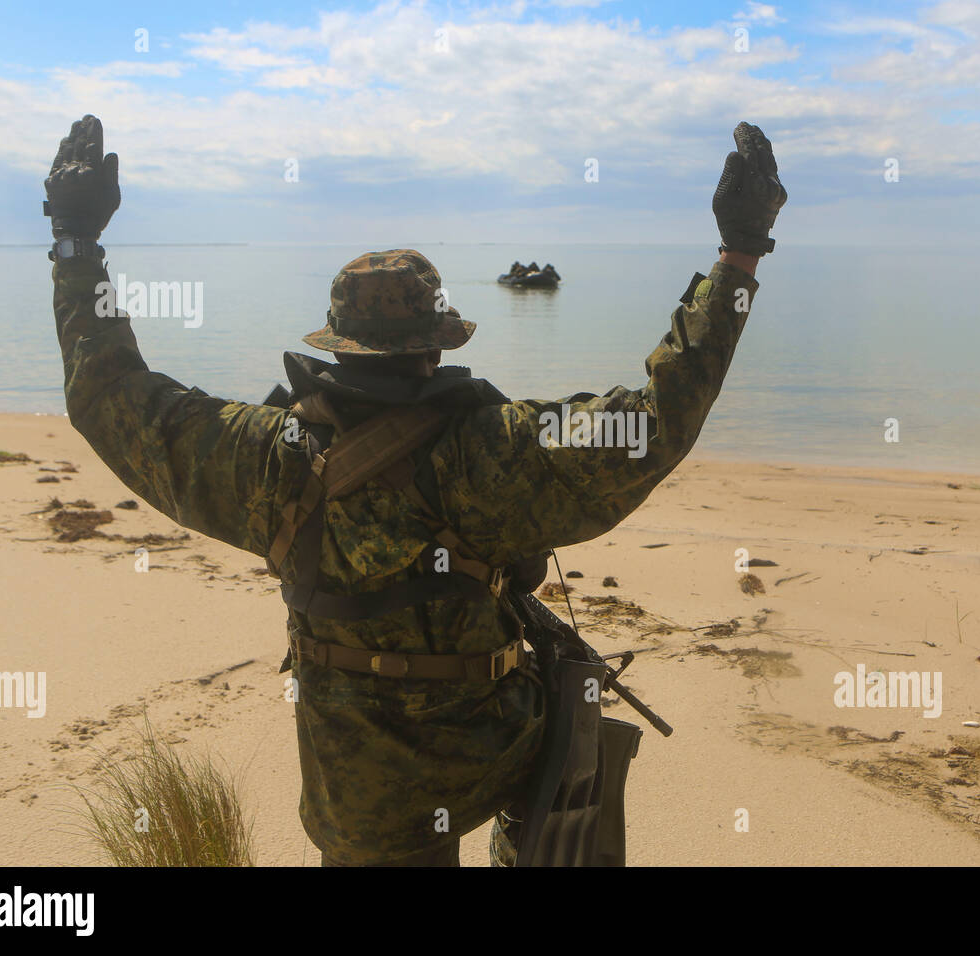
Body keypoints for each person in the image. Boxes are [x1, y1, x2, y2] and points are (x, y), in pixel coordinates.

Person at [44, 115, 786, 866]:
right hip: (490, 752)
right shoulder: (489, 452)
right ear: (436, 343)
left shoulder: (267, 457)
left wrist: (77, 243)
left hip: (355, 793)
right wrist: (739, 255)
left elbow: (110, 394)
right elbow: (657, 420)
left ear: (337, 344)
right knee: (575, 743)